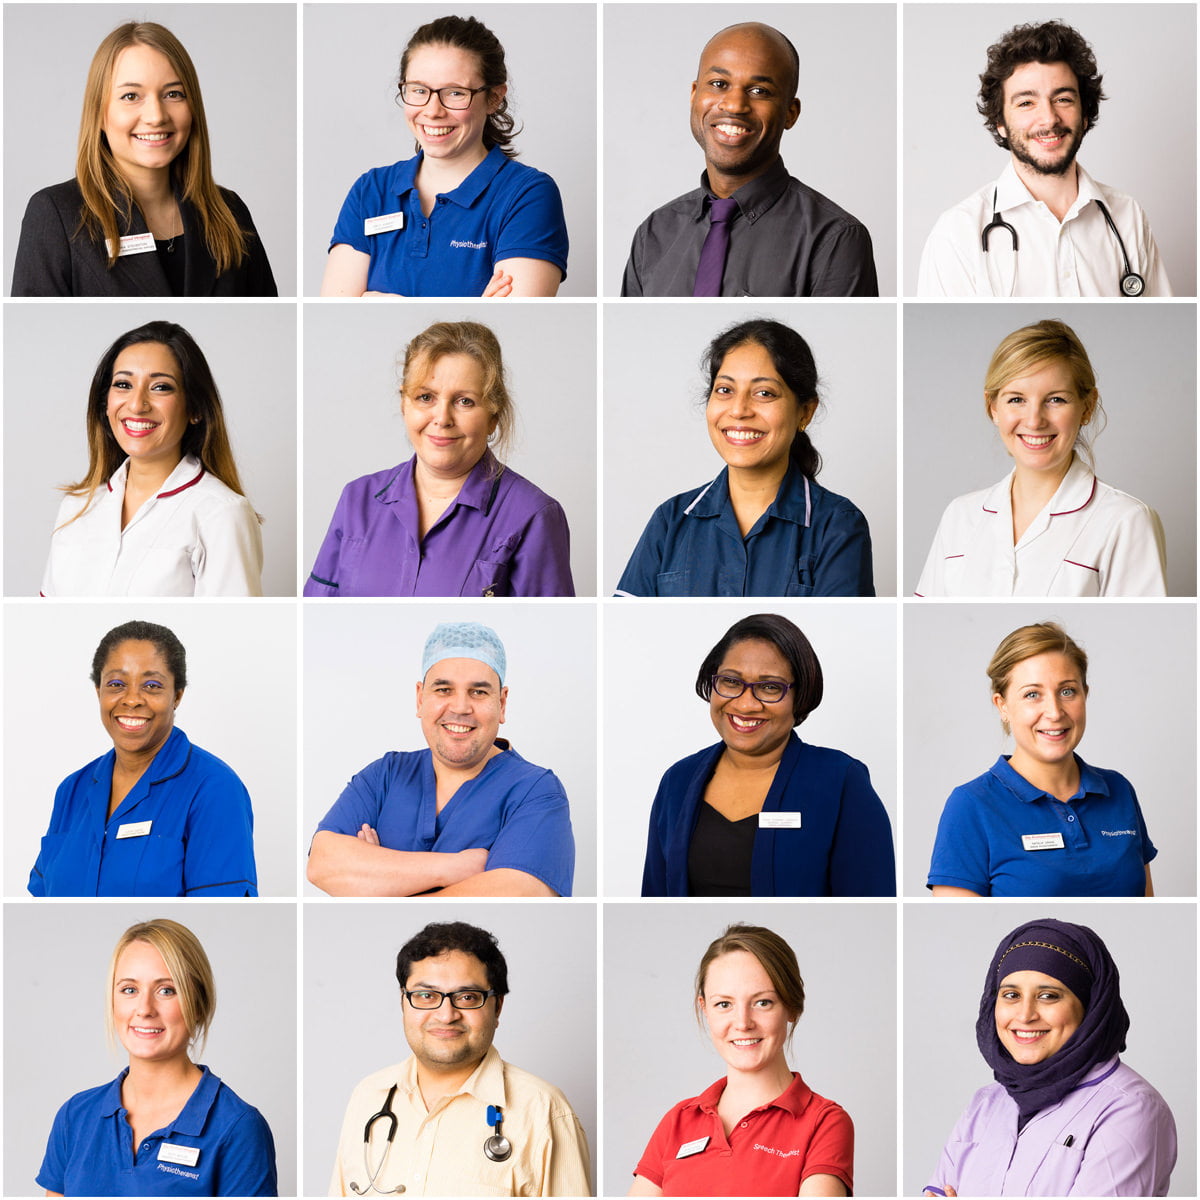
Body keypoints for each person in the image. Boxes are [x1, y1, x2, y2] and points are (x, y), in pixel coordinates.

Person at [305, 321, 573, 597]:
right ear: (404, 404)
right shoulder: (357, 499)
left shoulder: (533, 515)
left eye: (465, 401)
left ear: (493, 416)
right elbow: (315, 620)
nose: (442, 418)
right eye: (425, 397)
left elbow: (546, 635)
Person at [307, 621, 574, 897]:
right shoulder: (384, 776)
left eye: (478, 692)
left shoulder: (536, 792)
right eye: (444, 690)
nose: (460, 707)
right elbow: (322, 863)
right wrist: (452, 868)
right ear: (420, 698)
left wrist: (378, 883)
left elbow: (520, 894)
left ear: (502, 703)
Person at [12, 22, 276, 296]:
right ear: (99, 113)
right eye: (131, 96)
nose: (156, 116)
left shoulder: (230, 212)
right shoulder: (57, 215)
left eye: (173, 94)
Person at [330, 920, 591, 1196]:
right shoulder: (368, 1096)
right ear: (403, 1002)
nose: (446, 1014)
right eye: (426, 995)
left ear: (498, 1006)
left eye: (467, 997)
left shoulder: (544, 1110)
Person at [616, 319, 873, 597]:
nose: (739, 410)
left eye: (764, 393)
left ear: (805, 412)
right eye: (725, 390)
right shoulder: (670, 520)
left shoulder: (838, 525)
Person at [641, 614, 894, 896]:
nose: (746, 704)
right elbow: (654, 894)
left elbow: (871, 897)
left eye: (770, 687)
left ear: (800, 695)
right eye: (731, 681)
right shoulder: (677, 781)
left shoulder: (840, 781)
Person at [621, 22, 877, 297]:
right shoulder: (654, 233)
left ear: (790, 113)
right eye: (719, 84)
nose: (734, 105)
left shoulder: (834, 239)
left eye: (759, 91)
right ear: (694, 94)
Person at [924, 918, 1176, 1196]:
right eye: (1010, 995)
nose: (1025, 1015)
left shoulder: (1132, 1109)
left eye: (1048, 995)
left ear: (1089, 1006)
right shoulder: (986, 1103)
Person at [917, 20, 1171, 297]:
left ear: (1084, 114)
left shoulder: (1127, 215)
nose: (1049, 118)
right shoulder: (958, 233)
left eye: (1062, 99)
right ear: (1000, 121)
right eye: (1026, 103)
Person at [321, 15, 567, 298]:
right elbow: (336, 305)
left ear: (494, 98)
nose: (433, 110)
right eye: (418, 90)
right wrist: (473, 307)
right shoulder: (371, 189)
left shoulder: (527, 194)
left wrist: (381, 301)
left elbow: (505, 321)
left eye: (455, 93)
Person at [915, 319, 1165, 597]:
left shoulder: (1126, 521)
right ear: (993, 407)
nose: (1034, 421)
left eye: (1056, 399)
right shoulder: (959, 516)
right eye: (1016, 399)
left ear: (1087, 406)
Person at [37, 919, 277, 1196]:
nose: (144, 1009)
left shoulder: (238, 1128)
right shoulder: (75, 1116)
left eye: (166, 990)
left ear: (198, 1003)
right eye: (129, 989)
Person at [29, 621, 259, 897]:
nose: (132, 699)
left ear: (177, 696)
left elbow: (221, 915)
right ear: (98, 691)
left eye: (151, 686)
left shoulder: (215, 789)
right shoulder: (71, 790)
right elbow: (44, 899)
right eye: (116, 684)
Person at [928, 622, 1155, 898]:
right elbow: (961, 931)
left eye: (1067, 691)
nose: (1054, 712)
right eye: (1032, 695)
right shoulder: (971, 805)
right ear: (1002, 705)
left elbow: (1146, 902)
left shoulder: (1119, 790)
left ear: (1085, 694)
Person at [40, 320, 264, 597]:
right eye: (123, 384)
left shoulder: (221, 514)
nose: (136, 404)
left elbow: (230, 635)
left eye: (160, 387)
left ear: (194, 408)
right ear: (105, 404)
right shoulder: (75, 507)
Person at [630, 924, 852, 1196]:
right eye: (724, 1004)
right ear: (705, 1010)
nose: (742, 1023)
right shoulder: (678, 1120)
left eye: (763, 1002)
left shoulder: (824, 1122)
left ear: (792, 1006)